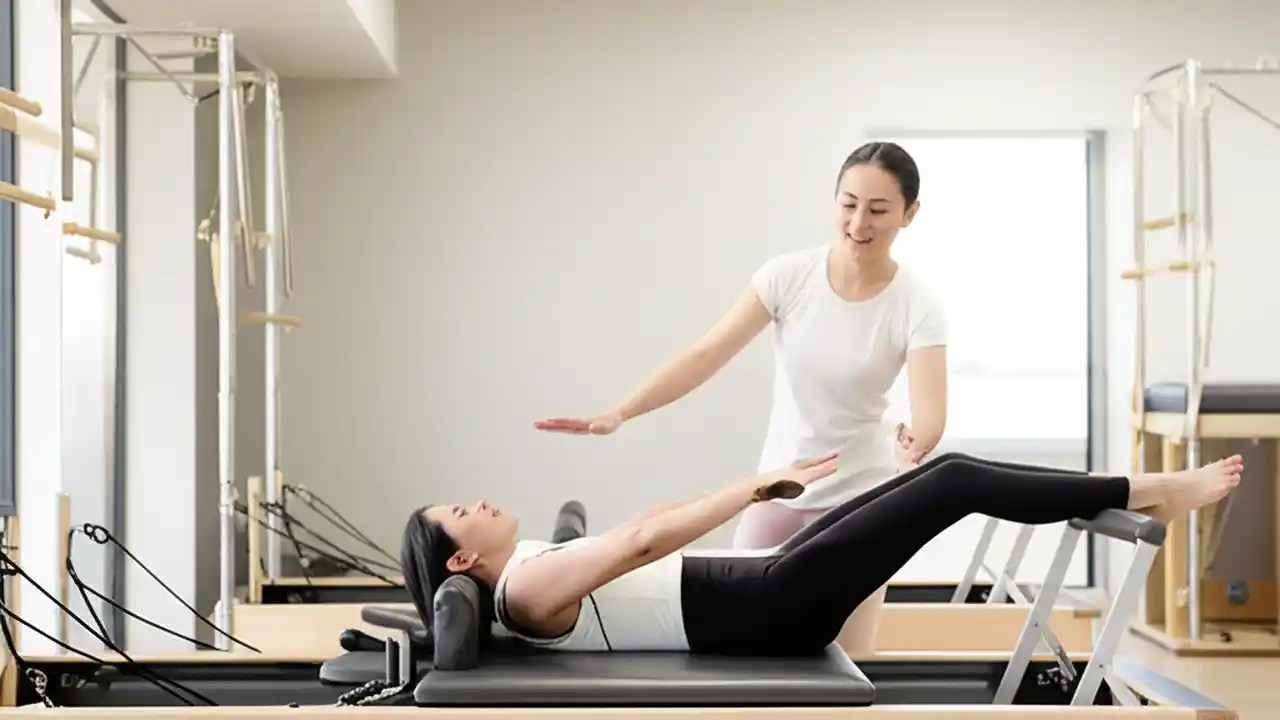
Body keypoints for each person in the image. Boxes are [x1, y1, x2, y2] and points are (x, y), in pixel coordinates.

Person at [533, 141, 946, 651]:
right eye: (848, 203)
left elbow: (930, 415)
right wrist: (620, 412)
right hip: (780, 488)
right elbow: (706, 353)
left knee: (848, 665)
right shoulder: (789, 277)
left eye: (879, 210)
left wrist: (915, 439)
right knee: (740, 647)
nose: (859, 221)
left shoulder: (917, 304)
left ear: (910, 213)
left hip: (861, 503)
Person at [400, 452, 1242, 656]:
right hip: (774, 605)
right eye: (459, 515)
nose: (476, 503)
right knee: (951, 485)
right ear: (462, 563)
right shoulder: (527, 585)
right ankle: (1150, 490)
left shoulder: (527, 573)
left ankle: (1141, 489)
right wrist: (752, 492)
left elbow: (640, 528)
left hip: (763, 587)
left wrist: (749, 489)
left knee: (943, 473)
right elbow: (642, 540)